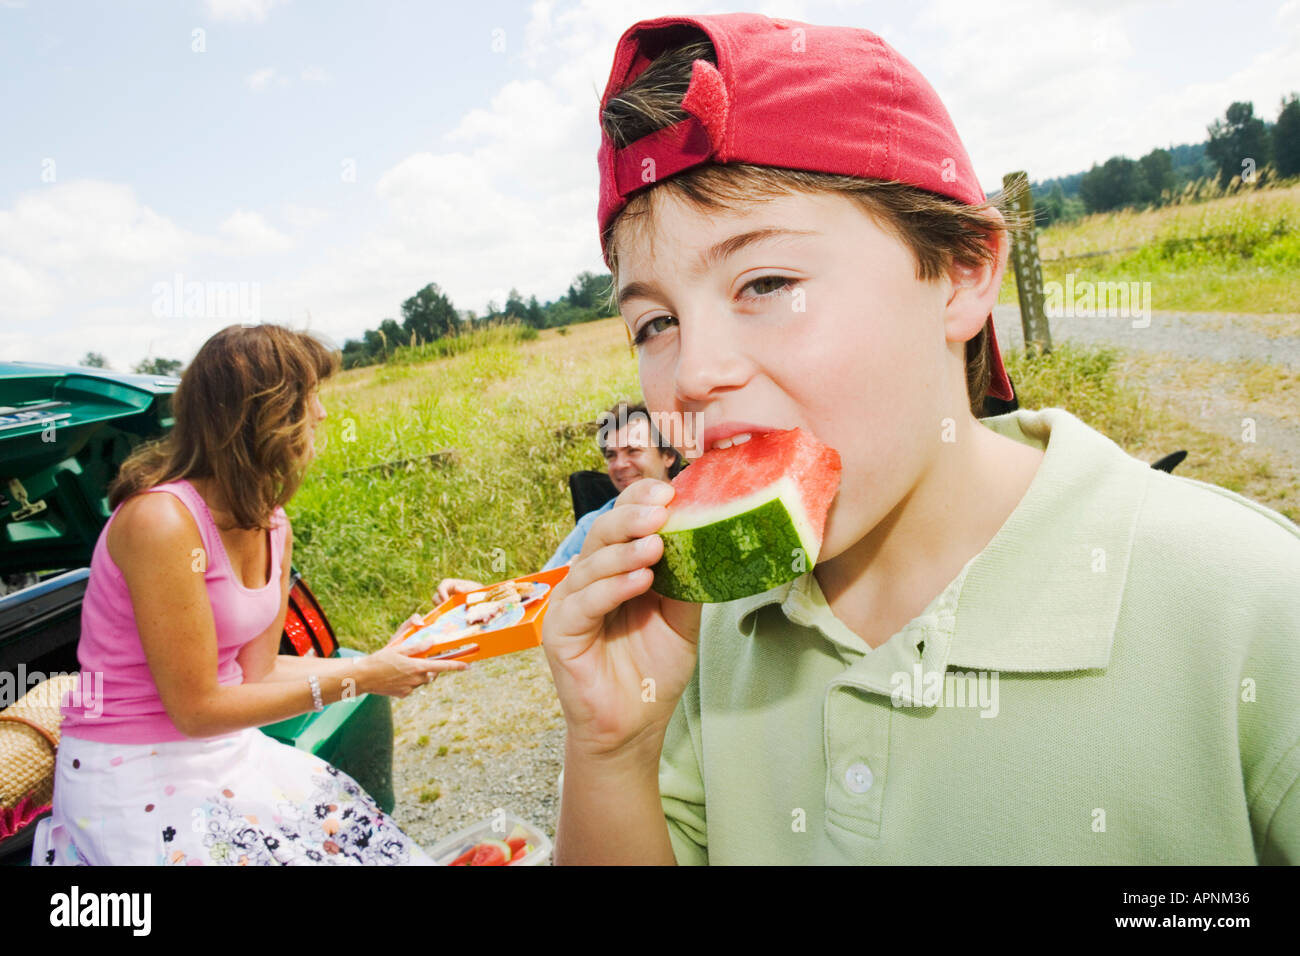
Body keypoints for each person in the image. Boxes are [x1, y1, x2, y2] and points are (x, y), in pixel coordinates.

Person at [540, 12, 1300, 864]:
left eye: (765, 281)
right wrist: (611, 752)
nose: (693, 373)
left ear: (961, 273)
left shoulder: (1251, 607)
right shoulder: (703, 635)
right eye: (653, 323)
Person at [33, 324, 465, 866]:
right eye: (310, 398)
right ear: (263, 417)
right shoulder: (161, 522)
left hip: (225, 752)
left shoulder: (271, 522)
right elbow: (197, 709)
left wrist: (381, 662)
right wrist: (362, 678)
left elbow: (253, 675)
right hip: (134, 773)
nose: (323, 415)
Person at [434, 401, 681, 602]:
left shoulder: (694, 507)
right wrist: (481, 594)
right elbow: (539, 588)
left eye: (633, 451)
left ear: (668, 455)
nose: (619, 465)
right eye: (611, 455)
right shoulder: (592, 525)